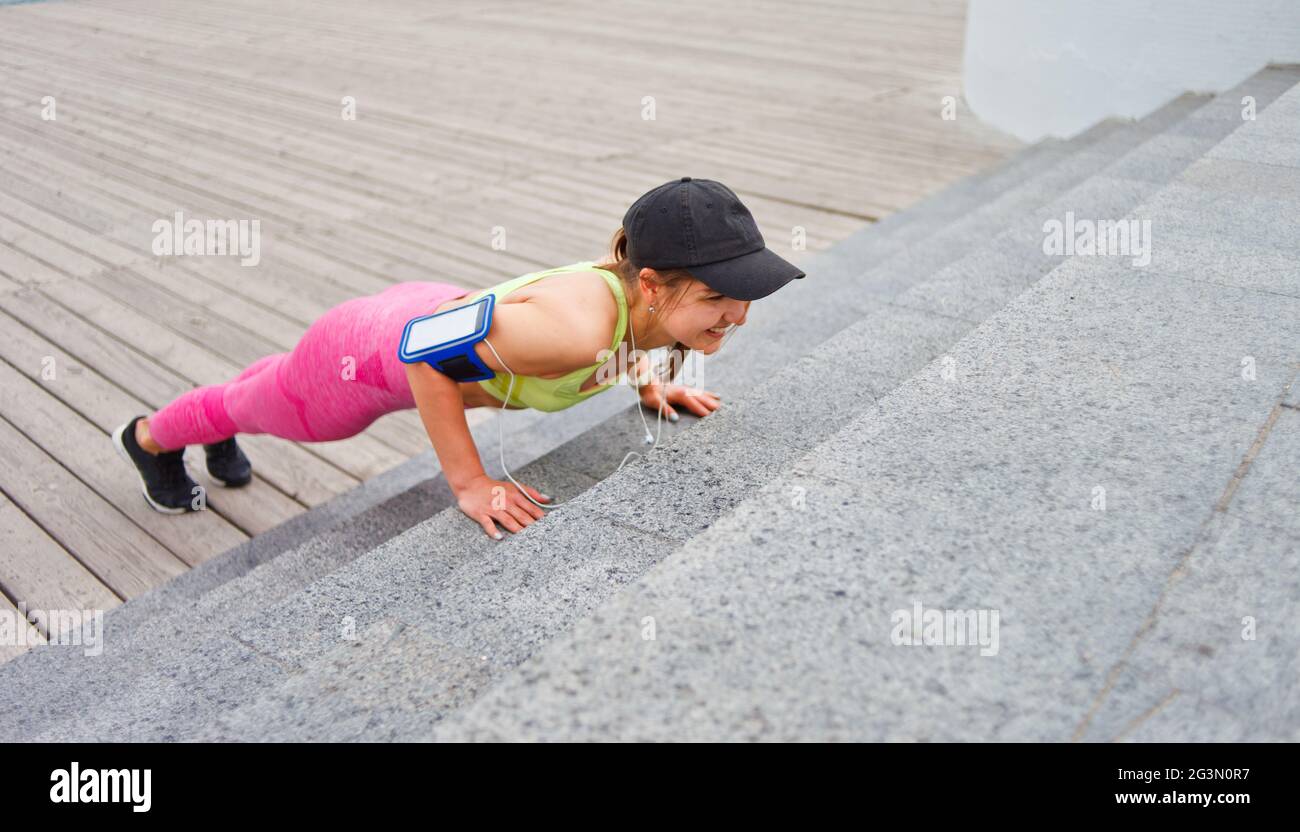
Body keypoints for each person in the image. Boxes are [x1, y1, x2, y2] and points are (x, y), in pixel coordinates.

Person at [113, 177, 806, 540]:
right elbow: (426, 359)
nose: (738, 315)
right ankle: (149, 438)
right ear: (653, 284)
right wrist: (471, 484)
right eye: (720, 295)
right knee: (275, 409)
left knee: (278, 387)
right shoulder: (571, 329)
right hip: (373, 356)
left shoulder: (636, 295)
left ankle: (253, 398)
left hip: (432, 310)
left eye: (746, 292)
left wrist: (647, 382)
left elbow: (626, 332)